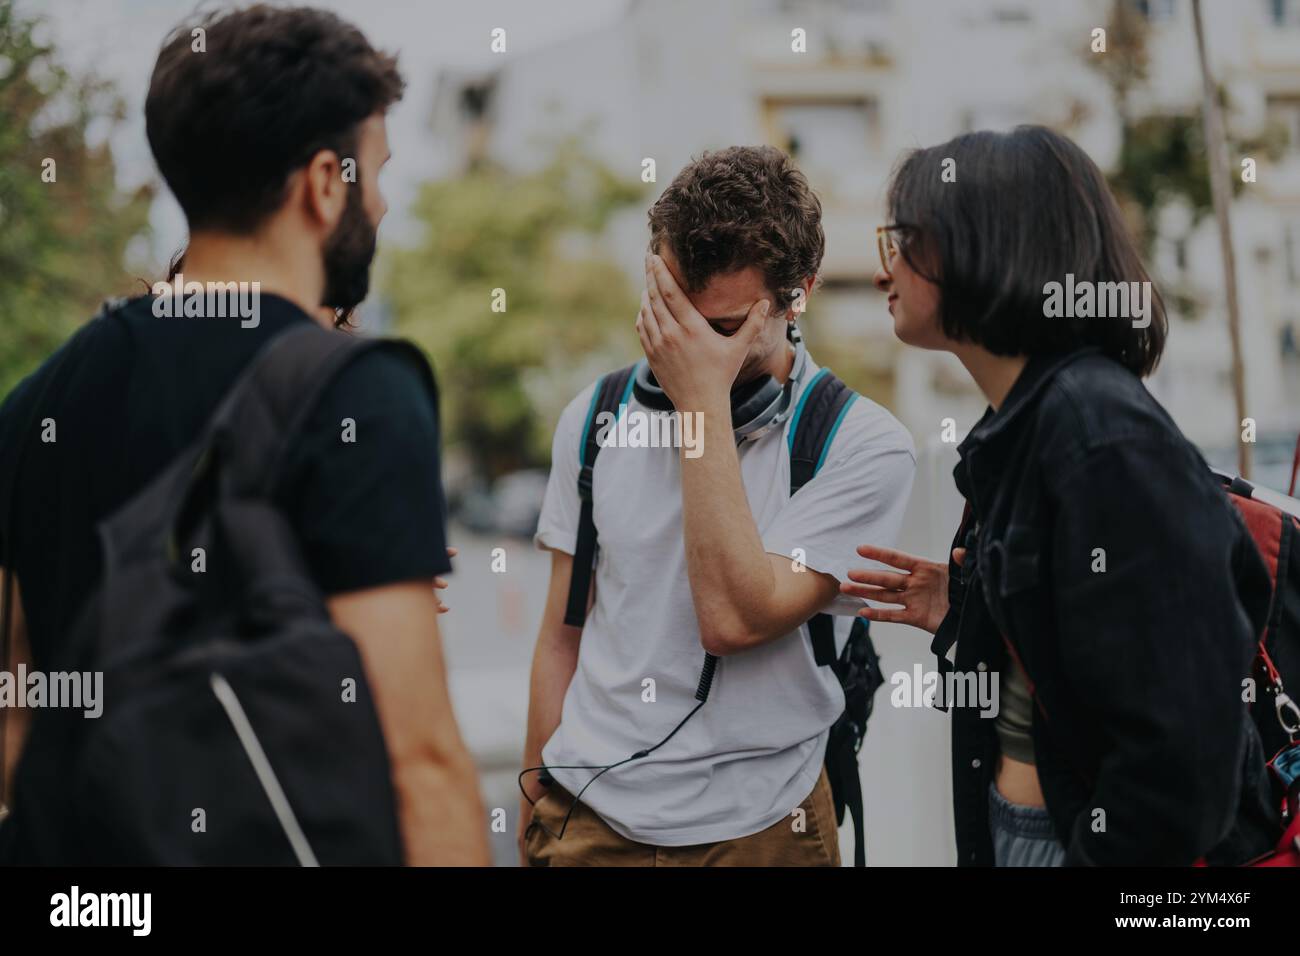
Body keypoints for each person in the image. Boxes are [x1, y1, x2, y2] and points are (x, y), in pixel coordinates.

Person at [0, 4, 487, 865]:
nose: (379, 200)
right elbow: (420, 762)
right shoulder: (360, 394)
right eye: (375, 170)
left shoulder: (36, 401)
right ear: (323, 183)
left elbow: (15, 706)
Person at [843, 125, 1279, 866]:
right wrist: (970, 617)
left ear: (986, 243)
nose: (883, 269)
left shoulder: (1099, 436)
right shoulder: (1022, 429)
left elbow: (1186, 757)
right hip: (1023, 823)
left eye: (901, 239)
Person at [520, 146, 916, 866]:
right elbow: (561, 636)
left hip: (765, 830)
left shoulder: (862, 447)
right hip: (589, 821)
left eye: (722, 329)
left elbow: (731, 618)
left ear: (798, 297)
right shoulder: (594, 417)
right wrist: (534, 818)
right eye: (672, 312)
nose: (688, 347)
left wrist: (699, 399)